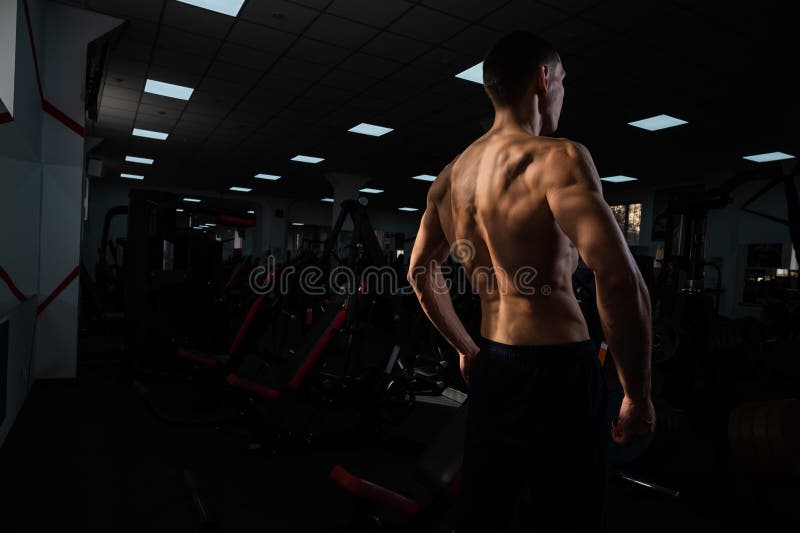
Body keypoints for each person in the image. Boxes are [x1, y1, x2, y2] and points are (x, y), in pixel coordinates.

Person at [407, 31, 655, 532]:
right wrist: (637, 393)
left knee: (489, 511)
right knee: (566, 516)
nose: (562, 90)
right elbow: (617, 278)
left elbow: (418, 273)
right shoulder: (557, 158)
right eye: (562, 80)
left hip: (493, 361)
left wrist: (465, 347)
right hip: (558, 370)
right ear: (544, 78)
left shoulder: (449, 177)